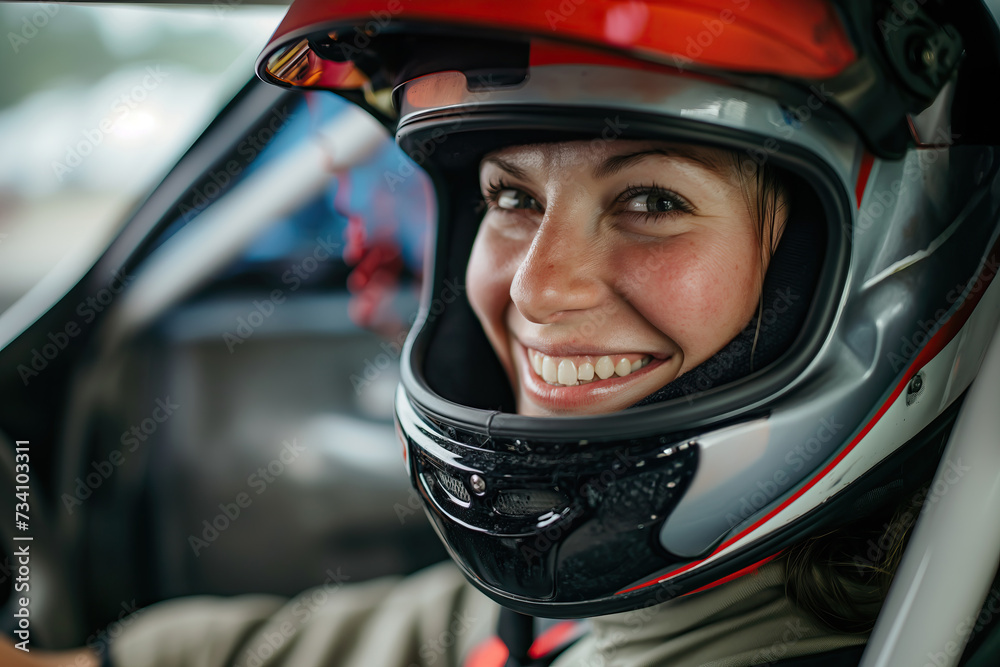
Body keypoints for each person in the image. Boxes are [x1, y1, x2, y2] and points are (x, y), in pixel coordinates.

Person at [5, 0, 1000, 665]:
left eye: (650, 198)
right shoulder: (630, 604)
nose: (538, 286)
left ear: (877, 256)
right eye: (510, 195)